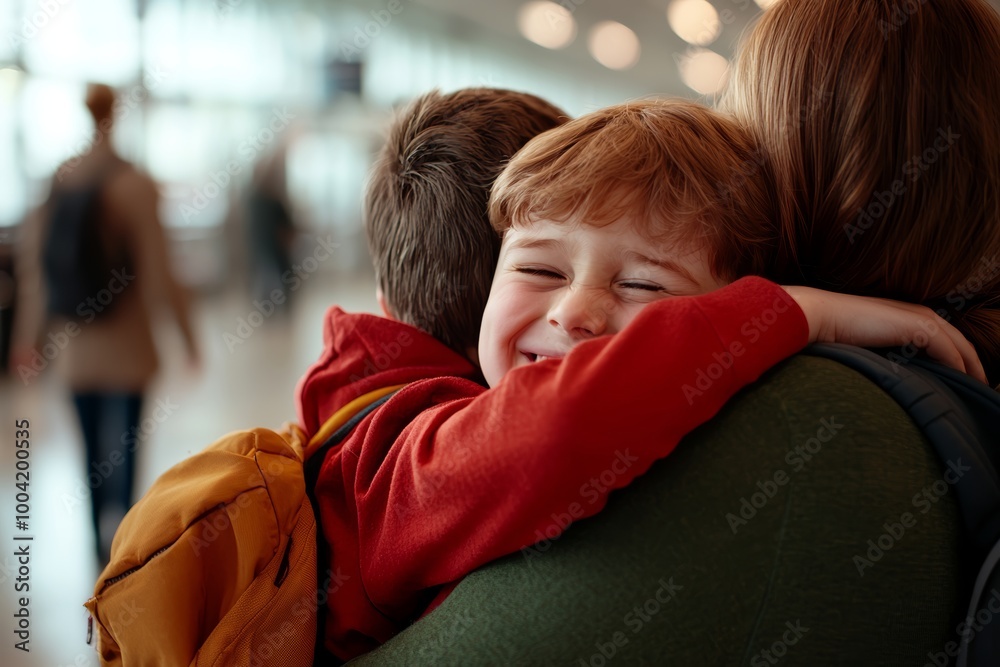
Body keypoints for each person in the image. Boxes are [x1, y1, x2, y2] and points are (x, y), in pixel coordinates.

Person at [350, 1, 1000, 664]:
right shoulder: (411, 432)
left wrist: (790, 312)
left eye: (645, 284)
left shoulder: (797, 418)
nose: (575, 311)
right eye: (541, 266)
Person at [12, 83, 200, 564]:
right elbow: (160, 273)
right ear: (115, 116)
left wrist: (26, 340)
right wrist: (187, 337)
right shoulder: (136, 182)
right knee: (128, 446)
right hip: (129, 345)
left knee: (90, 451)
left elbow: (37, 271)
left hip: (74, 347)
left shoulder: (60, 181)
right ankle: (125, 546)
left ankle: (94, 543)